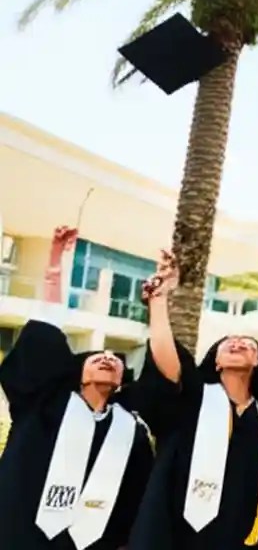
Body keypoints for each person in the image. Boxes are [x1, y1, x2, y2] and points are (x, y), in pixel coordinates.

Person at [0, 225, 154, 550]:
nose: (108, 358)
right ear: (76, 372)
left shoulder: (130, 431)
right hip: (21, 533)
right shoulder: (43, 403)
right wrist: (55, 263)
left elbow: (135, 494)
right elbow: (46, 336)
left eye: (115, 360)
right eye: (97, 358)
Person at [128, 249, 258, 550]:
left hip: (240, 534)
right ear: (216, 362)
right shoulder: (195, 396)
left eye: (248, 345)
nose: (237, 342)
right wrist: (159, 301)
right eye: (228, 343)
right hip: (177, 531)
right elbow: (167, 362)